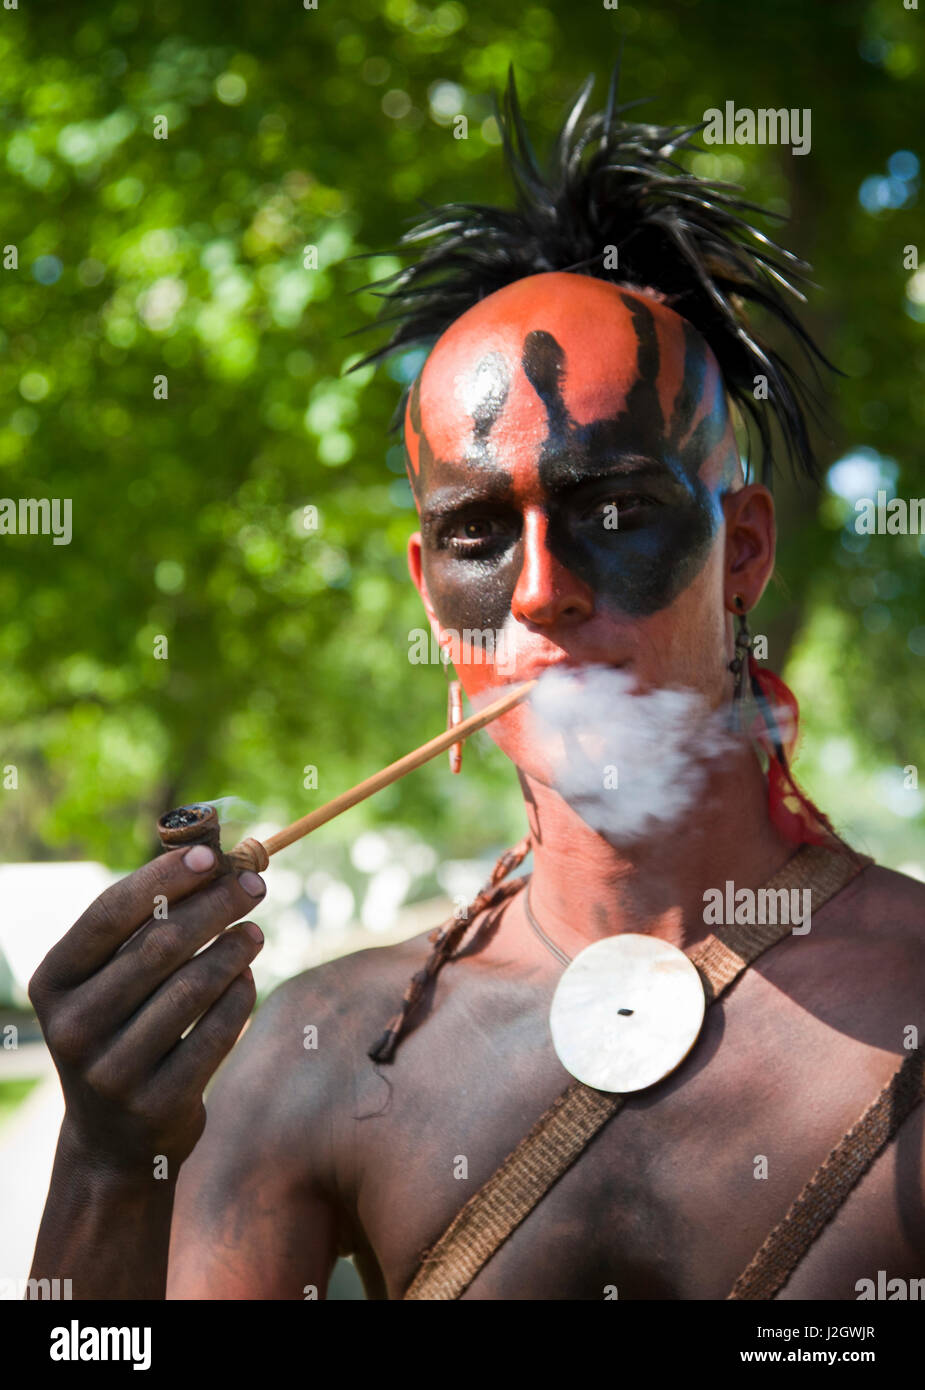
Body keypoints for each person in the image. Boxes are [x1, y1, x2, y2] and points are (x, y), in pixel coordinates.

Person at [27, 69, 925, 1301]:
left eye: (613, 508)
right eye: (476, 534)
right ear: (425, 588)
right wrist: (107, 1164)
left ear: (746, 553)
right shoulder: (332, 1051)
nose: (542, 588)